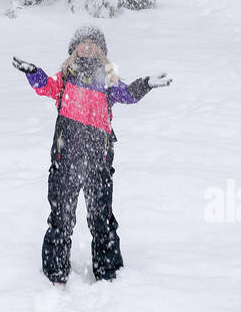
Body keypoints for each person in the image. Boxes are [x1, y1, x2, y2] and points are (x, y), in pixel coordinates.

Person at [13, 25, 171, 284]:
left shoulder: (107, 79)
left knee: (102, 220)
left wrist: (146, 84)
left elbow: (128, 93)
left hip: (98, 162)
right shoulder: (65, 77)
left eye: (93, 43)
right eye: (83, 42)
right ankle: (55, 273)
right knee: (61, 219)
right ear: (74, 49)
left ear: (101, 50)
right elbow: (47, 87)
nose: (87, 46)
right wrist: (34, 73)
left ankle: (109, 274)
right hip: (66, 161)